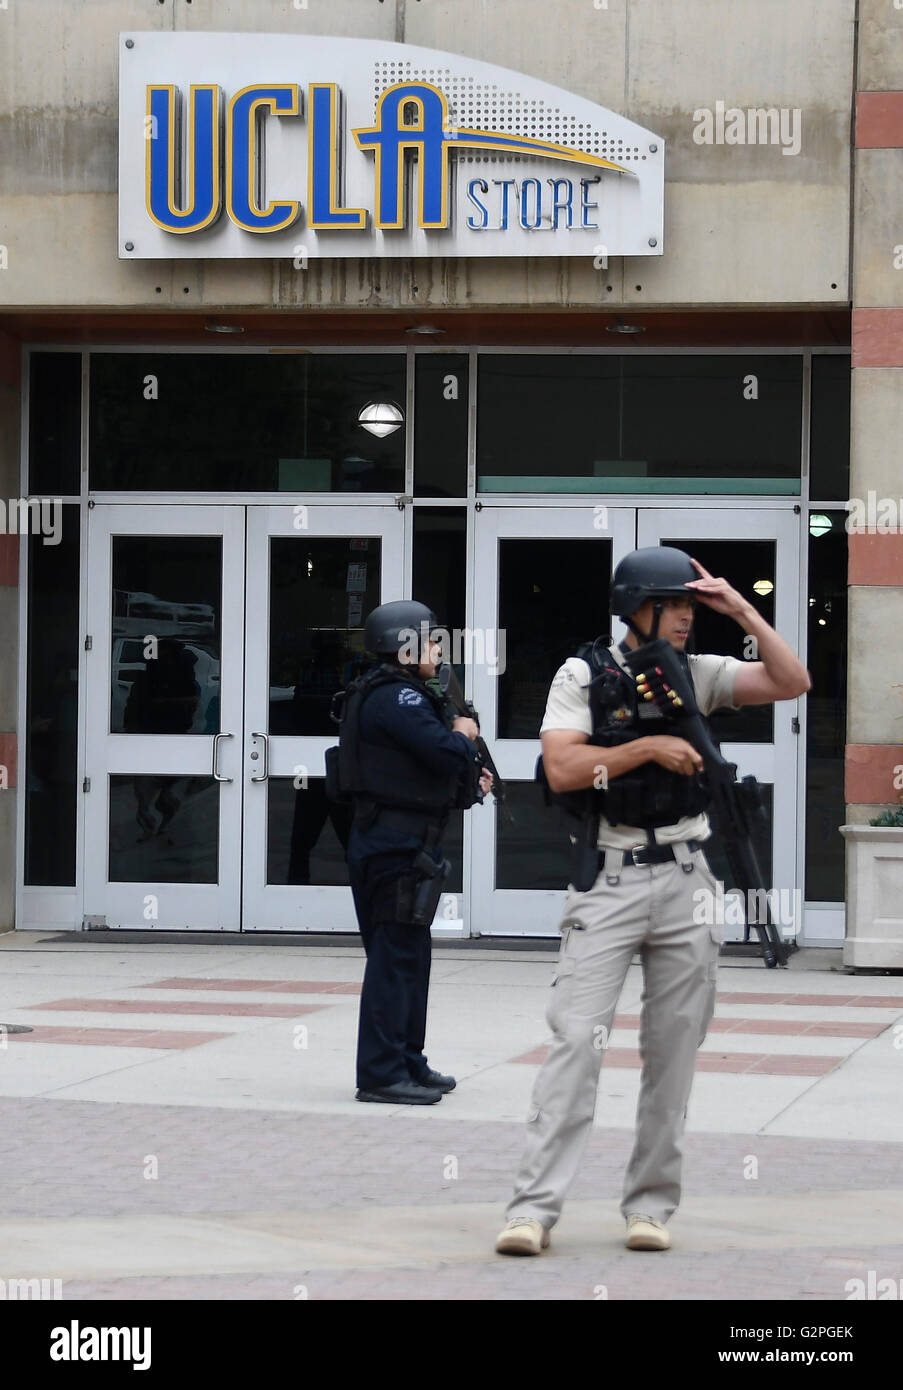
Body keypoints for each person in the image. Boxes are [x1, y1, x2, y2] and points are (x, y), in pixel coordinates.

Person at [495, 546, 811, 1254]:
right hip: (609, 875)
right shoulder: (584, 673)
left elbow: (792, 681)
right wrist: (645, 751)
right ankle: (532, 1209)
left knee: (673, 1052)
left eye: (691, 607)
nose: (684, 619)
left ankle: (650, 1207)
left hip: (685, 878)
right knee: (576, 1042)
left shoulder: (696, 674)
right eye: (675, 606)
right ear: (636, 607)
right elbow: (562, 765)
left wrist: (741, 610)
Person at [339, 600, 492, 1105]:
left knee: (411, 959)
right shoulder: (396, 698)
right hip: (392, 846)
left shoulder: (402, 695)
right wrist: (464, 735)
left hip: (407, 844)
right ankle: (381, 1073)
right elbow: (444, 752)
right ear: (402, 646)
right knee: (393, 961)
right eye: (429, 641)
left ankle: (407, 1061)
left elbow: (426, 771)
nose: (436, 651)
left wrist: (471, 776)